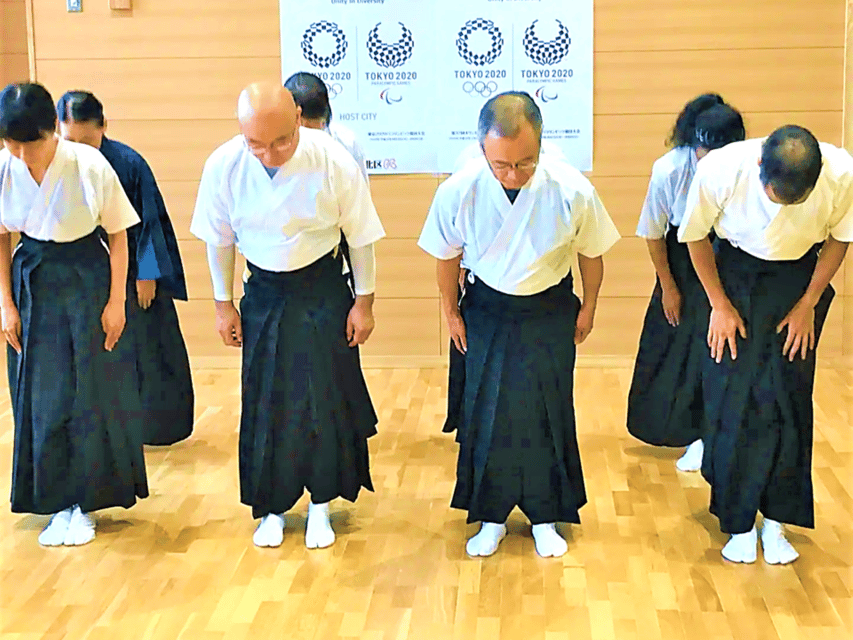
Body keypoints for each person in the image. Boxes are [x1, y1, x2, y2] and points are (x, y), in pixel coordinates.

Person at [418, 92, 620, 558]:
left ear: (542, 145)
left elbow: (592, 253)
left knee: (546, 411)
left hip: (548, 309)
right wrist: (451, 312)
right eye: (502, 165)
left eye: (524, 163)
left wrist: (589, 306)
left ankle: (545, 516)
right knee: (484, 412)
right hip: (486, 311)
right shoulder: (459, 189)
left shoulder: (571, 188)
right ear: (482, 149)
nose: (512, 175)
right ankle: (490, 516)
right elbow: (446, 257)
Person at [190, 81, 385, 549]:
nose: (271, 155)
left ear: (298, 118)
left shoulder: (333, 159)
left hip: (322, 289)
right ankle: (272, 508)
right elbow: (218, 239)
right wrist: (222, 304)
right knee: (267, 401)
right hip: (264, 293)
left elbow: (360, 236)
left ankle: (321, 506)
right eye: (256, 144)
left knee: (323, 399)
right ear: (241, 133)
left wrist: (365, 301)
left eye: (281, 141)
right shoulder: (224, 165)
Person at [678, 125, 852, 564]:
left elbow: (840, 238)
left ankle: (776, 522)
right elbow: (695, 237)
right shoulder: (721, 169)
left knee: (787, 402)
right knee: (733, 401)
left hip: (797, 285)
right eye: (777, 195)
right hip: (733, 280)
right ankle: (737, 523)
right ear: (760, 167)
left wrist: (809, 303)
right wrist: (718, 304)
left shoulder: (841, 173)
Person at [0, 82, 148, 546]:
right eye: (13, 144)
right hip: (33, 282)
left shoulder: (88, 163)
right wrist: (5, 304)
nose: (24, 154)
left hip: (87, 277)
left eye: (34, 143)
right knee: (43, 396)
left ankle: (85, 502)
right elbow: (2, 237)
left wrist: (116, 301)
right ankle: (56, 502)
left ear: (54, 132)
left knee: (90, 390)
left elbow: (120, 233)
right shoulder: (5, 168)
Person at [56, 90, 194, 446]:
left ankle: (156, 427)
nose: (81, 150)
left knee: (149, 349)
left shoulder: (128, 162)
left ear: (105, 127)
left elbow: (152, 220)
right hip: (86, 275)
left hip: (134, 275)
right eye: (72, 140)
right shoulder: (54, 165)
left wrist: (148, 273)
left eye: (89, 140)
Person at [627, 95, 746, 471]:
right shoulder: (669, 170)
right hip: (681, 261)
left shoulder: (748, 167)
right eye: (702, 151)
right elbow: (653, 232)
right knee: (679, 350)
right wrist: (669, 287)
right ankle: (692, 433)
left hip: (730, 254)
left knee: (724, 350)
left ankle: (716, 434)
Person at [284, 72, 368, 180]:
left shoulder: (348, 144)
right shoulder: (275, 147)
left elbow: (362, 193)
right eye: (301, 129)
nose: (309, 137)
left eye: (313, 129)